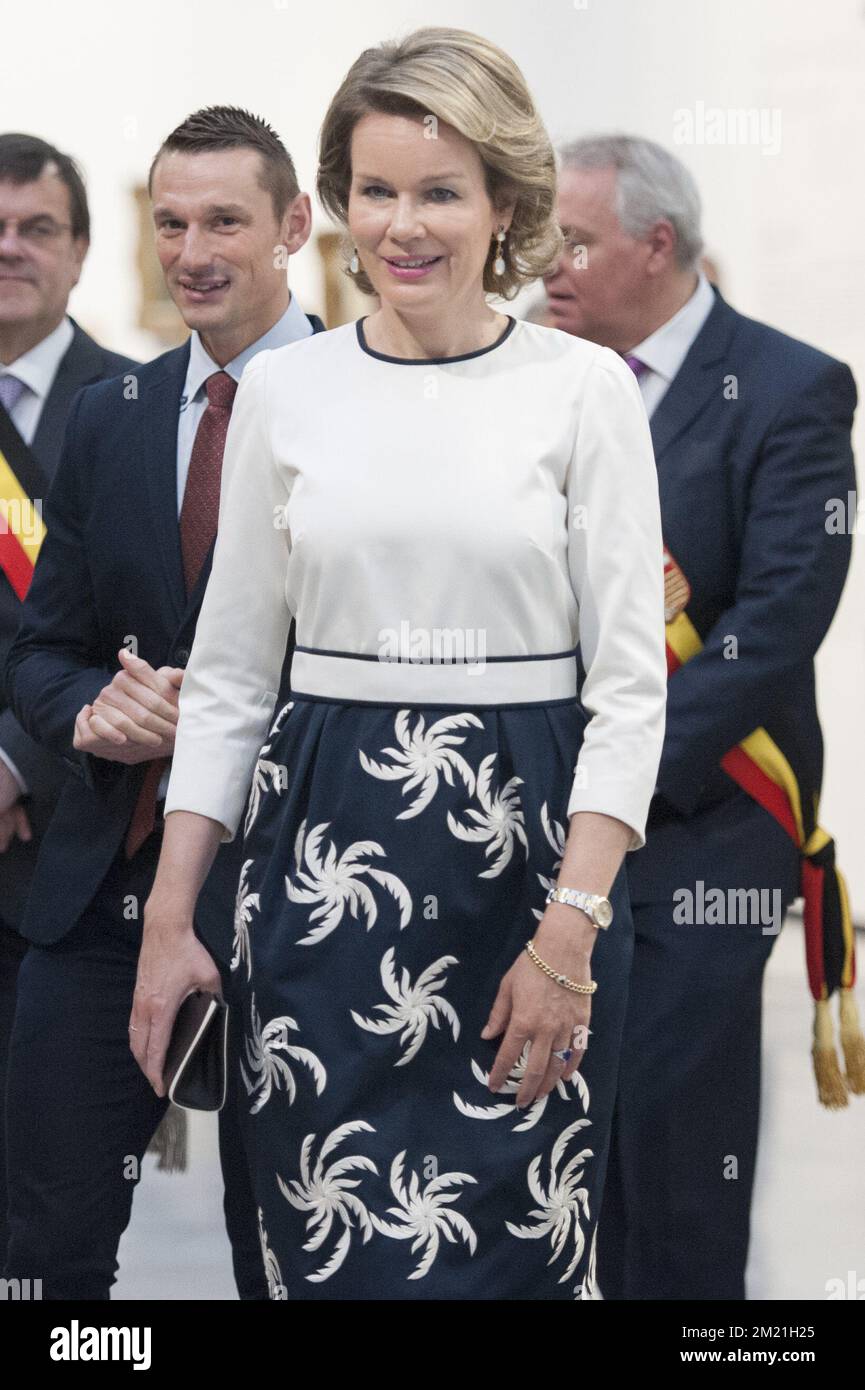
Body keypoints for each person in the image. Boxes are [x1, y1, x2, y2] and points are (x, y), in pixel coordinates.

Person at [131, 30, 667, 1301]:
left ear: (503, 206)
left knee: (517, 1263)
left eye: (440, 191)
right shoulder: (287, 391)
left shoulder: (585, 391)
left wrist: (569, 933)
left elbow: (631, 693)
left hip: (535, 883)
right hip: (323, 873)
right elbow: (228, 683)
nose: (403, 225)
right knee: (321, 1254)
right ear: (335, 204)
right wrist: (169, 920)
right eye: (376, 189)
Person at [3, 106, 325, 1299]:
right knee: (46, 1249)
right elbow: (46, 654)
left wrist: (233, 716)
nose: (192, 251)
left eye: (225, 221)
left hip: (293, 893)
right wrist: (96, 710)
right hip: (100, 892)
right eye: (172, 222)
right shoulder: (113, 415)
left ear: (293, 225)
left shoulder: (366, 406)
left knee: (284, 1243)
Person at [544, 133, 858, 1300]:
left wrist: (611, 777)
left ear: (656, 243)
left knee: (674, 1149)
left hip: (704, 823)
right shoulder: (537, 377)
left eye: (571, 242)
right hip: (551, 817)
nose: (546, 269)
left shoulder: (788, 386)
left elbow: (775, 625)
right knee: (566, 1146)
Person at [0, 133, 138, 1267]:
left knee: (47, 1214)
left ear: (82, 250)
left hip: (65, 850)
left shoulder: (139, 409)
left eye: (36, 227)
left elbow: (141, 638)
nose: (9, 249)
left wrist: (13, 763)